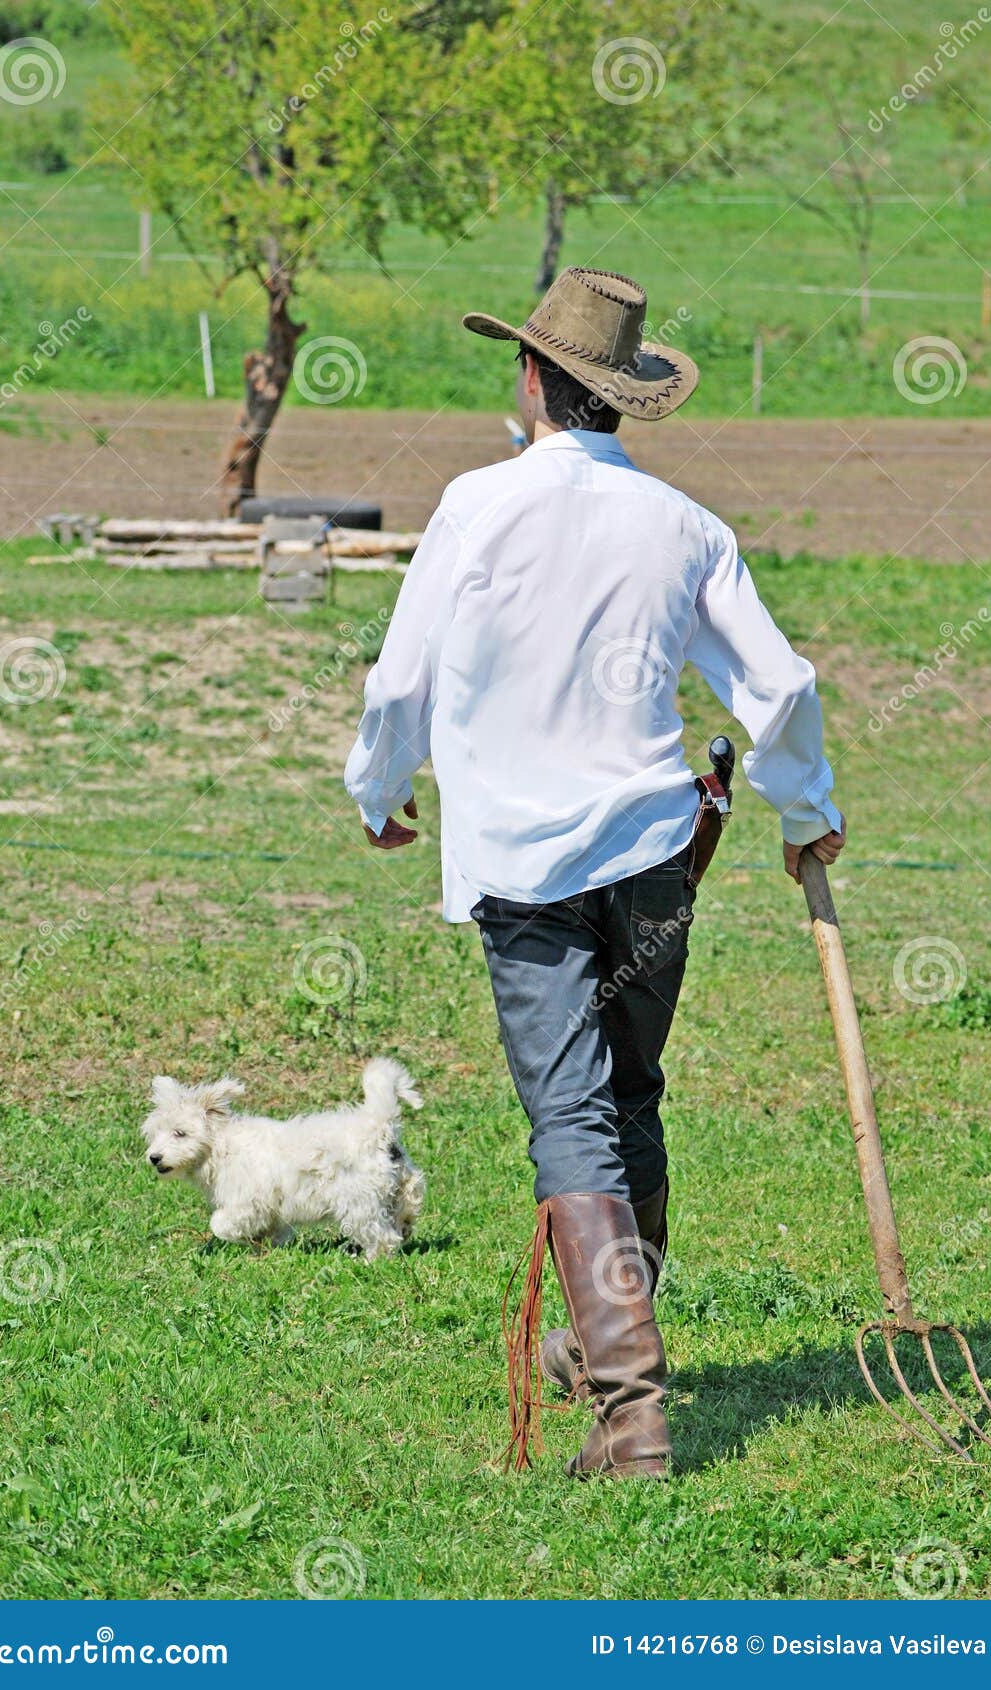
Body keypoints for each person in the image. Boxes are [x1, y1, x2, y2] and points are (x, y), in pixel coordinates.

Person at [344, 267, 845, 1480]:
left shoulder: (474, 506)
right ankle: (601, 1345)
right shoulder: (685, 527)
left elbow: (400, 681)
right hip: (655, 853)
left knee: (574, 1113)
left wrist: (379, 787)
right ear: (626, 397)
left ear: (531, 380)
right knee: (630, 1095)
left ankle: (631, 1411)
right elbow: (779, 685)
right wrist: (806, 811)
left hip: (525, 863)